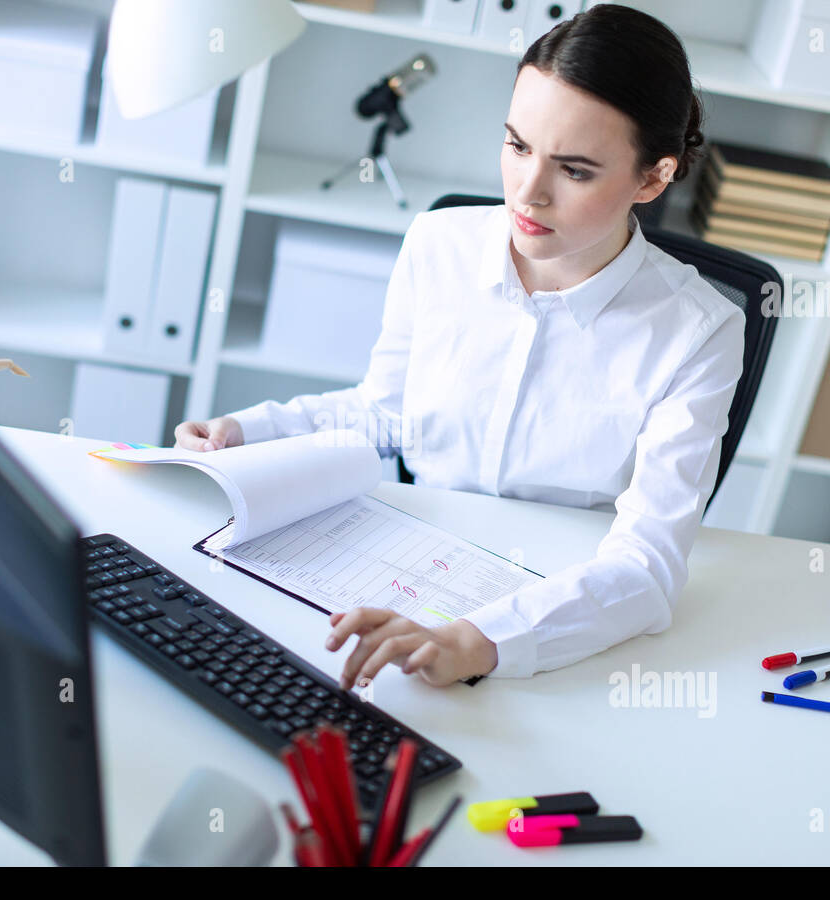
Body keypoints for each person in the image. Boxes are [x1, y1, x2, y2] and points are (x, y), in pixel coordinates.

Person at [174, 6, 745, 690]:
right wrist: (247, 430)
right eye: (516, 145)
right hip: (407, 565)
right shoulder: (438, 244)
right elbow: (386, 413)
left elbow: (649, 568)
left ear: (652, 179)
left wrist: (483, 642)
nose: (528, 191)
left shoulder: (699, 331)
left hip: (559, 610)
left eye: (576, 170)